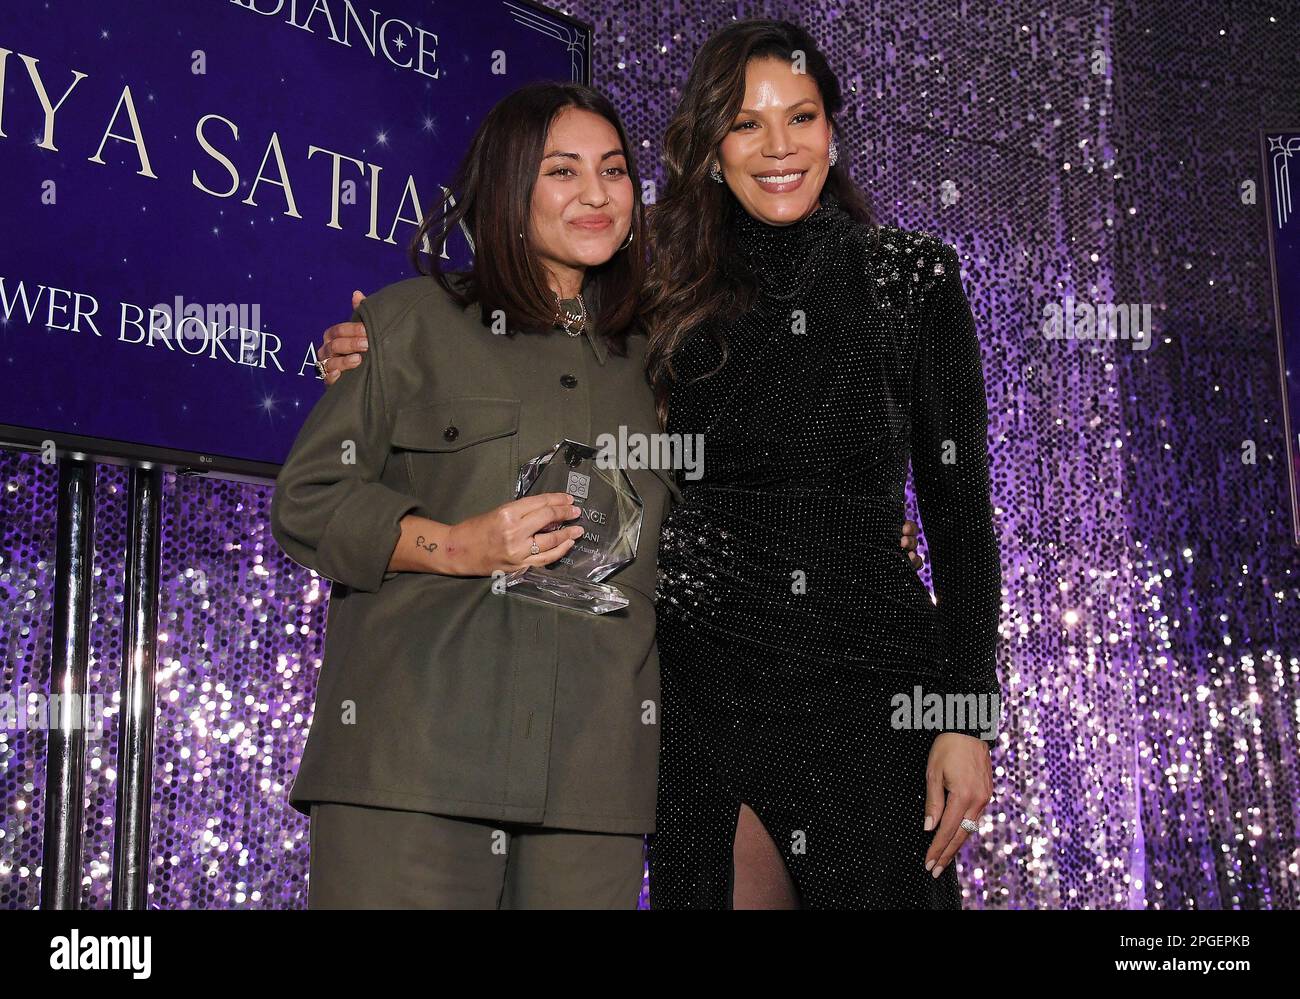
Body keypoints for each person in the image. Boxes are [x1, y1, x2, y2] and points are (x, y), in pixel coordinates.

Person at [270, 81, 676, 908]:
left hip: (592, 785)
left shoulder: (666, 361)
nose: (596, 195)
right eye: (562, 171)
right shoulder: (410, 322)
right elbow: (308, 498)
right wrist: (457, 545)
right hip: (410, 766)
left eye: (614, 170)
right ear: (507, 189)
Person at [640, 19, 1002, 908]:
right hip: (701, 683)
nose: (778, 148)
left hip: (873, 687)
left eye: (800, 117)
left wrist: (964, 715)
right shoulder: (658, 285)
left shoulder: (908, 279)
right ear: (710, 145)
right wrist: (380, 351)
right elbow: (529, 327)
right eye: (746, 123)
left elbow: (960, 517)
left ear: (832, 128)